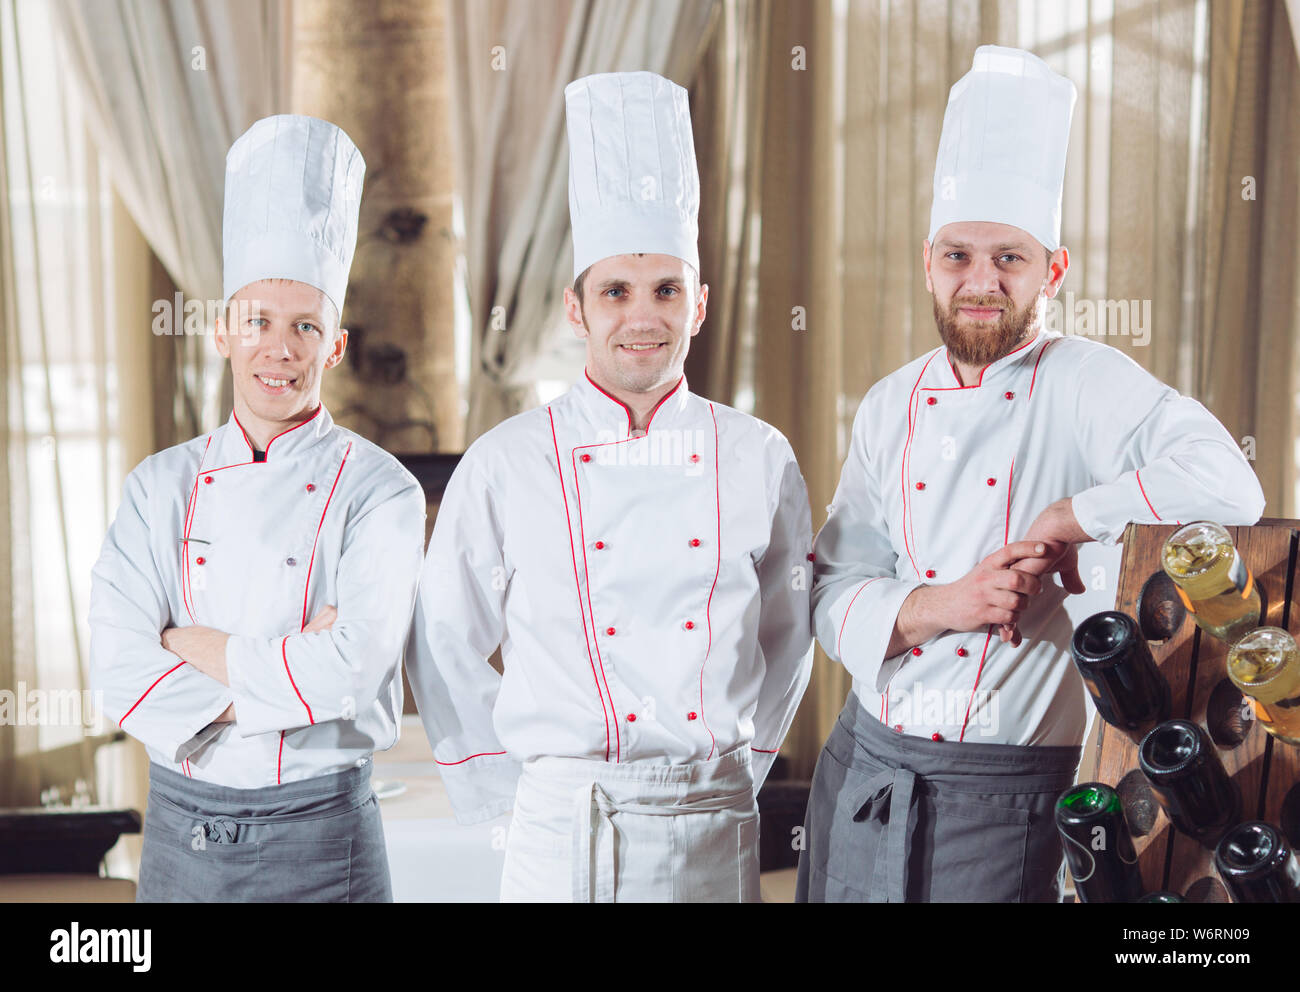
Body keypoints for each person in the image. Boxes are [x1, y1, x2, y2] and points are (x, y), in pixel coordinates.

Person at [795, 46, 1266, 903]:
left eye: (1009, 259)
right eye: (958, 256)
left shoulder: (1087, 380)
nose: (981, 284)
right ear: (926, 261)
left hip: (1010, 787)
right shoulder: (889, 402)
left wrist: (1070, 517)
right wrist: (946, 603)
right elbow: (829, 592)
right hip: (865, 766)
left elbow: (1231, 485)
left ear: (1052, 270)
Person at [406, 70, 813, 902]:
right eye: (616, 292)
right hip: (562, 824)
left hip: (713, 817)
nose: (642, 316)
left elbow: (788, 635)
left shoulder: (758, 455)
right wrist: (507, 797)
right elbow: (444, 638)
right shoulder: (507, 460)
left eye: (665, 290)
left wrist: (739, 768)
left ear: (698, 304)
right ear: (576, 308)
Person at [89, 114, 426, 902]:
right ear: (222, 333)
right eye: (259, 323)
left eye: (305, 326)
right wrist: (285, 675)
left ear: (334, 345)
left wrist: (187, 640)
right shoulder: (157, 487)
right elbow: (118, 669)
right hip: (181, 833)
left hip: (324, 837)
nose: (280, 349)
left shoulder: (381, 491)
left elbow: (352, 671)